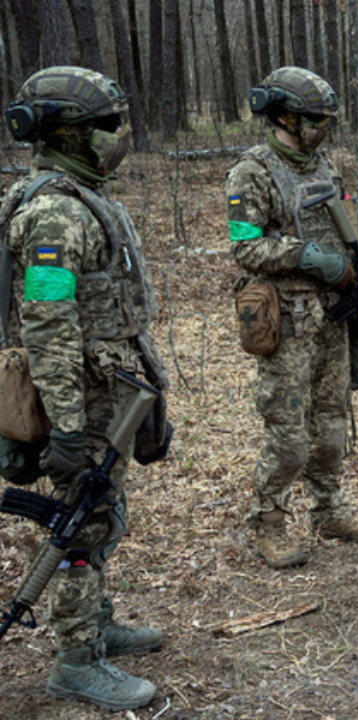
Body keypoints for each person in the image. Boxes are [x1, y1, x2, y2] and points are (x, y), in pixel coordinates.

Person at [1, 66, 166, 710]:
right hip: (80, 399)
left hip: (109, 391)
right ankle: (75, 660)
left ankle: (96, 624)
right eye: (104, 127)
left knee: (104, 516)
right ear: (68, 135)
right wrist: (67, 424)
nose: (117, 136)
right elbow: (47, 326)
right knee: (82, 522)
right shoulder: (54, 213)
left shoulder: (84, 197)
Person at [226, 67, 358, 569]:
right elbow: (245, 246)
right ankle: (268, 521)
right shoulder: (252, 172)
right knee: (289, 433)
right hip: (288, 318)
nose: (322, 128)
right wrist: (308, 258)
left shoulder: (323, 167)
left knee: (332, 424)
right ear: (282, 118)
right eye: (314, 119)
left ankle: (329, 509)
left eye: (326, 120)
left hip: (333, 316)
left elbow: (345, 231)